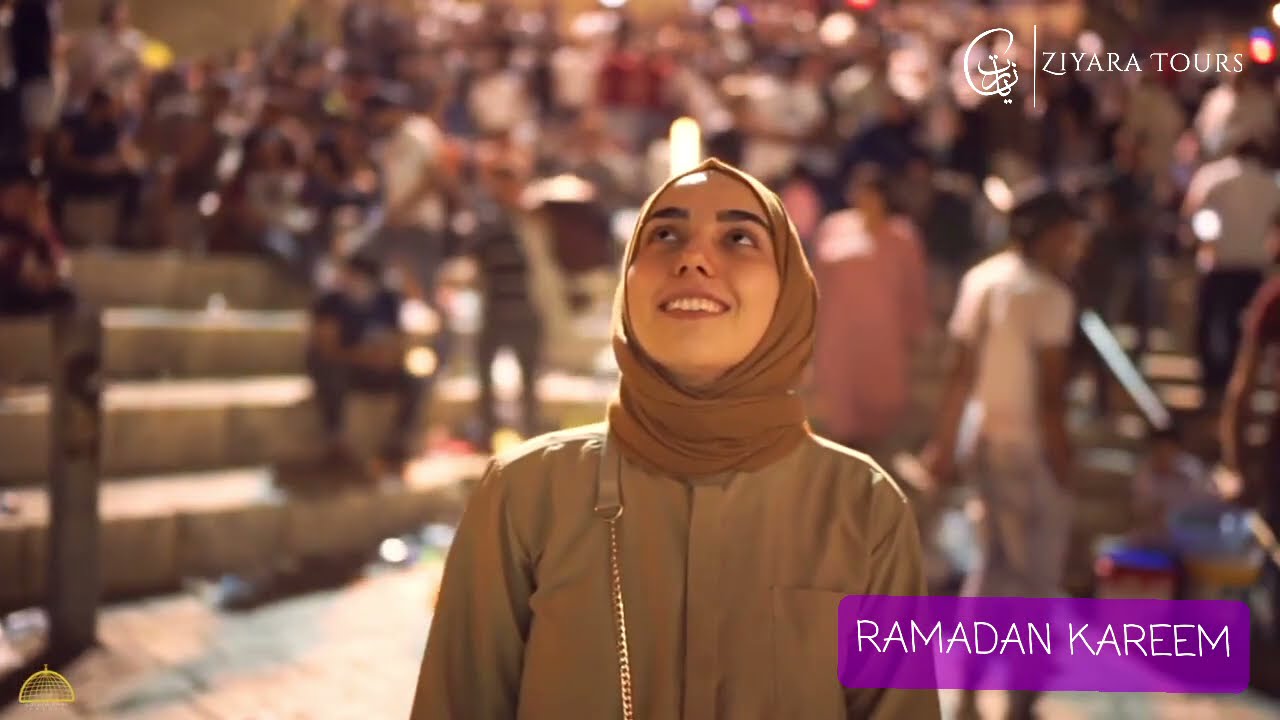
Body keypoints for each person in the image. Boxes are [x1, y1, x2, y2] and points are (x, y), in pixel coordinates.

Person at [411, 158, 940, 719]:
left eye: (739, 238)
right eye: (665, 235)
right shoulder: (525, 494)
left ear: (789, 294)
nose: (693, 258)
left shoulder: (864, 507)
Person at [921, 187, 1088, 720]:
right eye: (1068, 233)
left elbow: (959, 373)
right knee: (1035, 581)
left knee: (991, 573)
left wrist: (944, 444)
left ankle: (967, 695)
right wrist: (1063, 463)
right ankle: (1019, 703)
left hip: (989, 445)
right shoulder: (1048, 295)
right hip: (1030, 454)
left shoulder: (982, 279)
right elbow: (1051, 395)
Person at [809, 163, 929, 464]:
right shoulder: (834, 227)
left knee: (879, 411)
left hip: (883, 335)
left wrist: (915, 332)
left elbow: (914, 288)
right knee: (841, 412)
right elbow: (815, 280)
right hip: (838, 335)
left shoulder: (902, 235)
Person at [306, 252, 424, 471]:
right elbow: (327, 350)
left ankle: (399, 440)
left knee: (416, 379)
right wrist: (363, 355)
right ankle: (335, 440)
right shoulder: (330, 302)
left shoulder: (387, 301)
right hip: (343, 368)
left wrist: (389, 357)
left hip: (375, 369)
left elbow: (399, 341)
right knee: (332, 373)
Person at [1182, 140, 1280, 399]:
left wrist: (1204, 243)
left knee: (1210, 320)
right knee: (1247, 329)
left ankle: (1213, 378)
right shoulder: (1270, 183)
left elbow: (1196, 215)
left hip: (1219, 262)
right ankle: (1240, 377)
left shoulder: (1212, 177)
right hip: (1255, 264)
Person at [463, 152, 543, 450]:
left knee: (529, 377)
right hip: (495, 307)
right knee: (486, 375)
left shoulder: (534, 218)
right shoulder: (486, 219)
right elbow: (471, 250)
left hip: (527, 307)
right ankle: (487, 433)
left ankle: (533, 436)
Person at [0, 159, 74, 316]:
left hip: (26, 288)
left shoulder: (35, 219)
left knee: (67, 295)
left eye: (27, 194)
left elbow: (61, 262)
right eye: (15, 194)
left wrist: (51, 276)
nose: (22, 200)